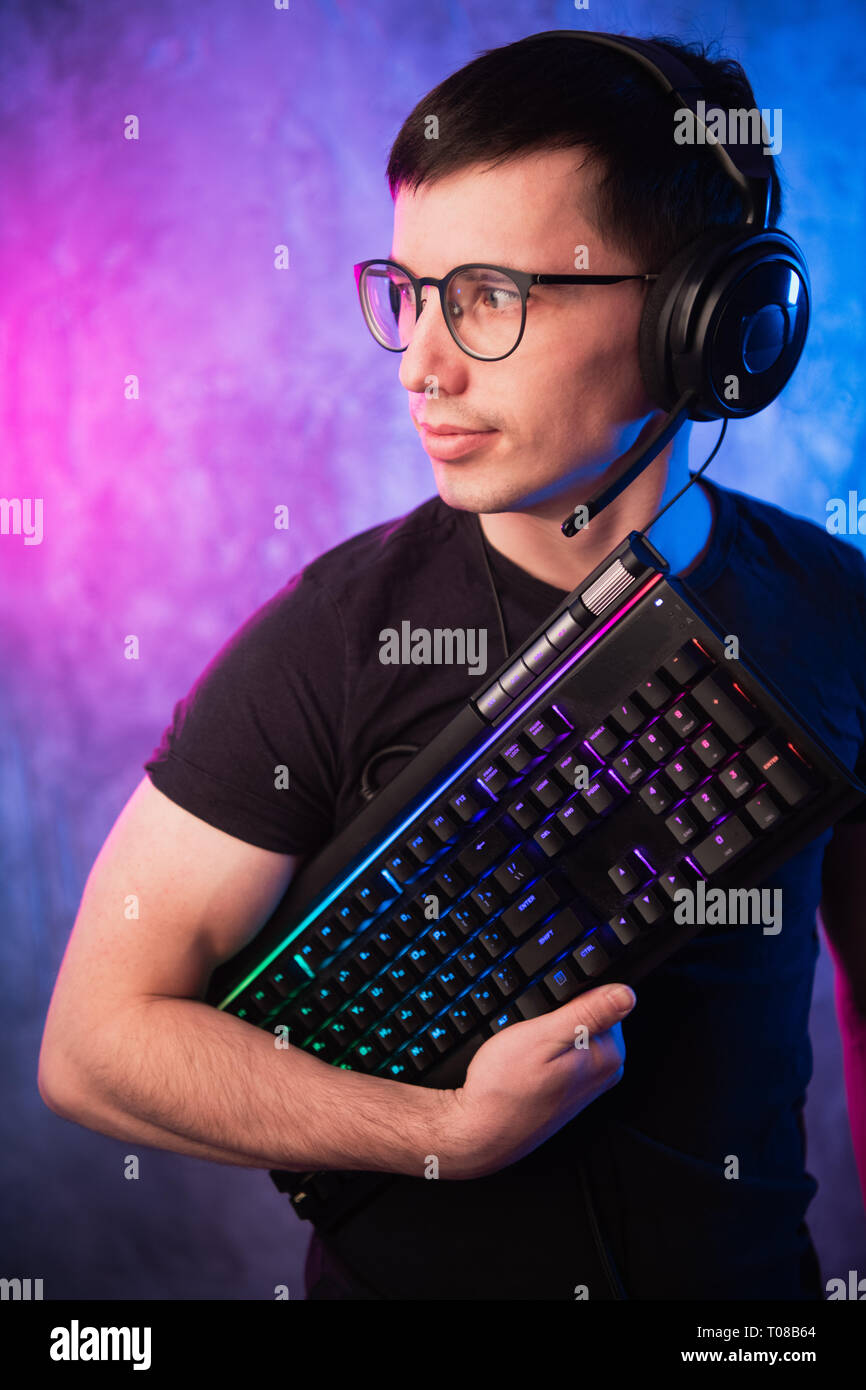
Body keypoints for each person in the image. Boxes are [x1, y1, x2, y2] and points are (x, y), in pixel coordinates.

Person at [38, 31, 866, 1301]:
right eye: (409, 291)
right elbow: (95, 1045)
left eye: (488, 295)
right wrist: (438, 1138)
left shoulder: (834, 608)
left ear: (704, 316)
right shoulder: (330, 637)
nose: (421, 363)